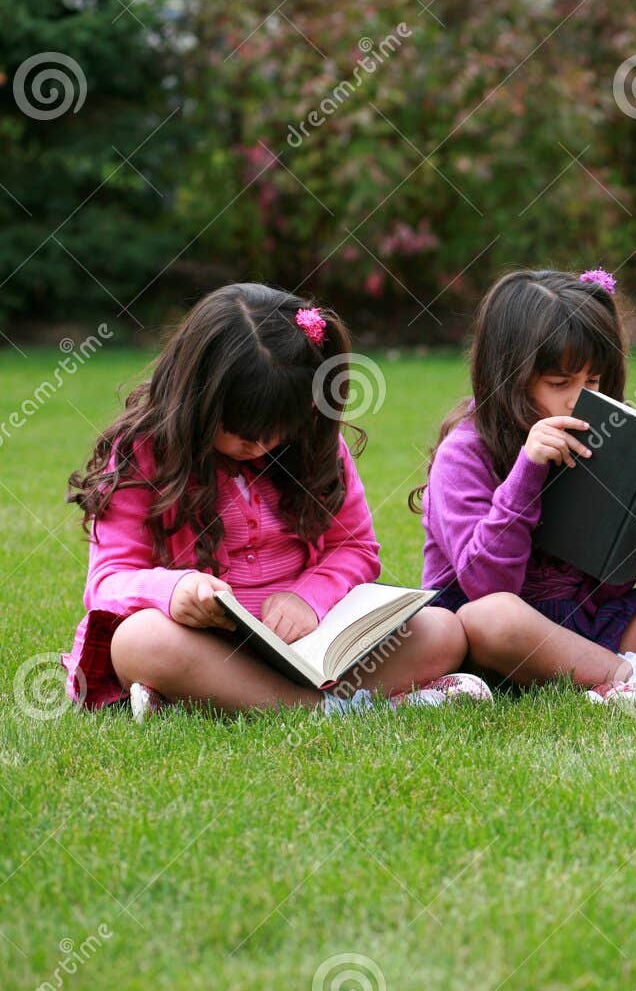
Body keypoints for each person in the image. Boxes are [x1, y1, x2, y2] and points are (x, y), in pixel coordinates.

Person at [64, 283, 488, 720]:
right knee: (140, 642)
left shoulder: (316, 449)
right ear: (196, 398)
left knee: (442, 630)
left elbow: (356, 548)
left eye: (278, 427)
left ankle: (221, 702)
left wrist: (309, 597)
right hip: (204, 643)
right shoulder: (145, 453)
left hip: (310, 644)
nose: (261, 444)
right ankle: (334, 710)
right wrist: (173, 591)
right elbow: (107, 582)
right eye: (243, 429)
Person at [415, 268, 636, 713]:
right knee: (491, 617)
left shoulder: (608, 436)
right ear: (507, 376)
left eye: (592, 382)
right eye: (559, 384)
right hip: (509, 639)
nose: (578, 399)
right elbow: (488, 585)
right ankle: (627, 678)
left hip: (601, 621)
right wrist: (527, 472)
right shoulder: (466, 454)